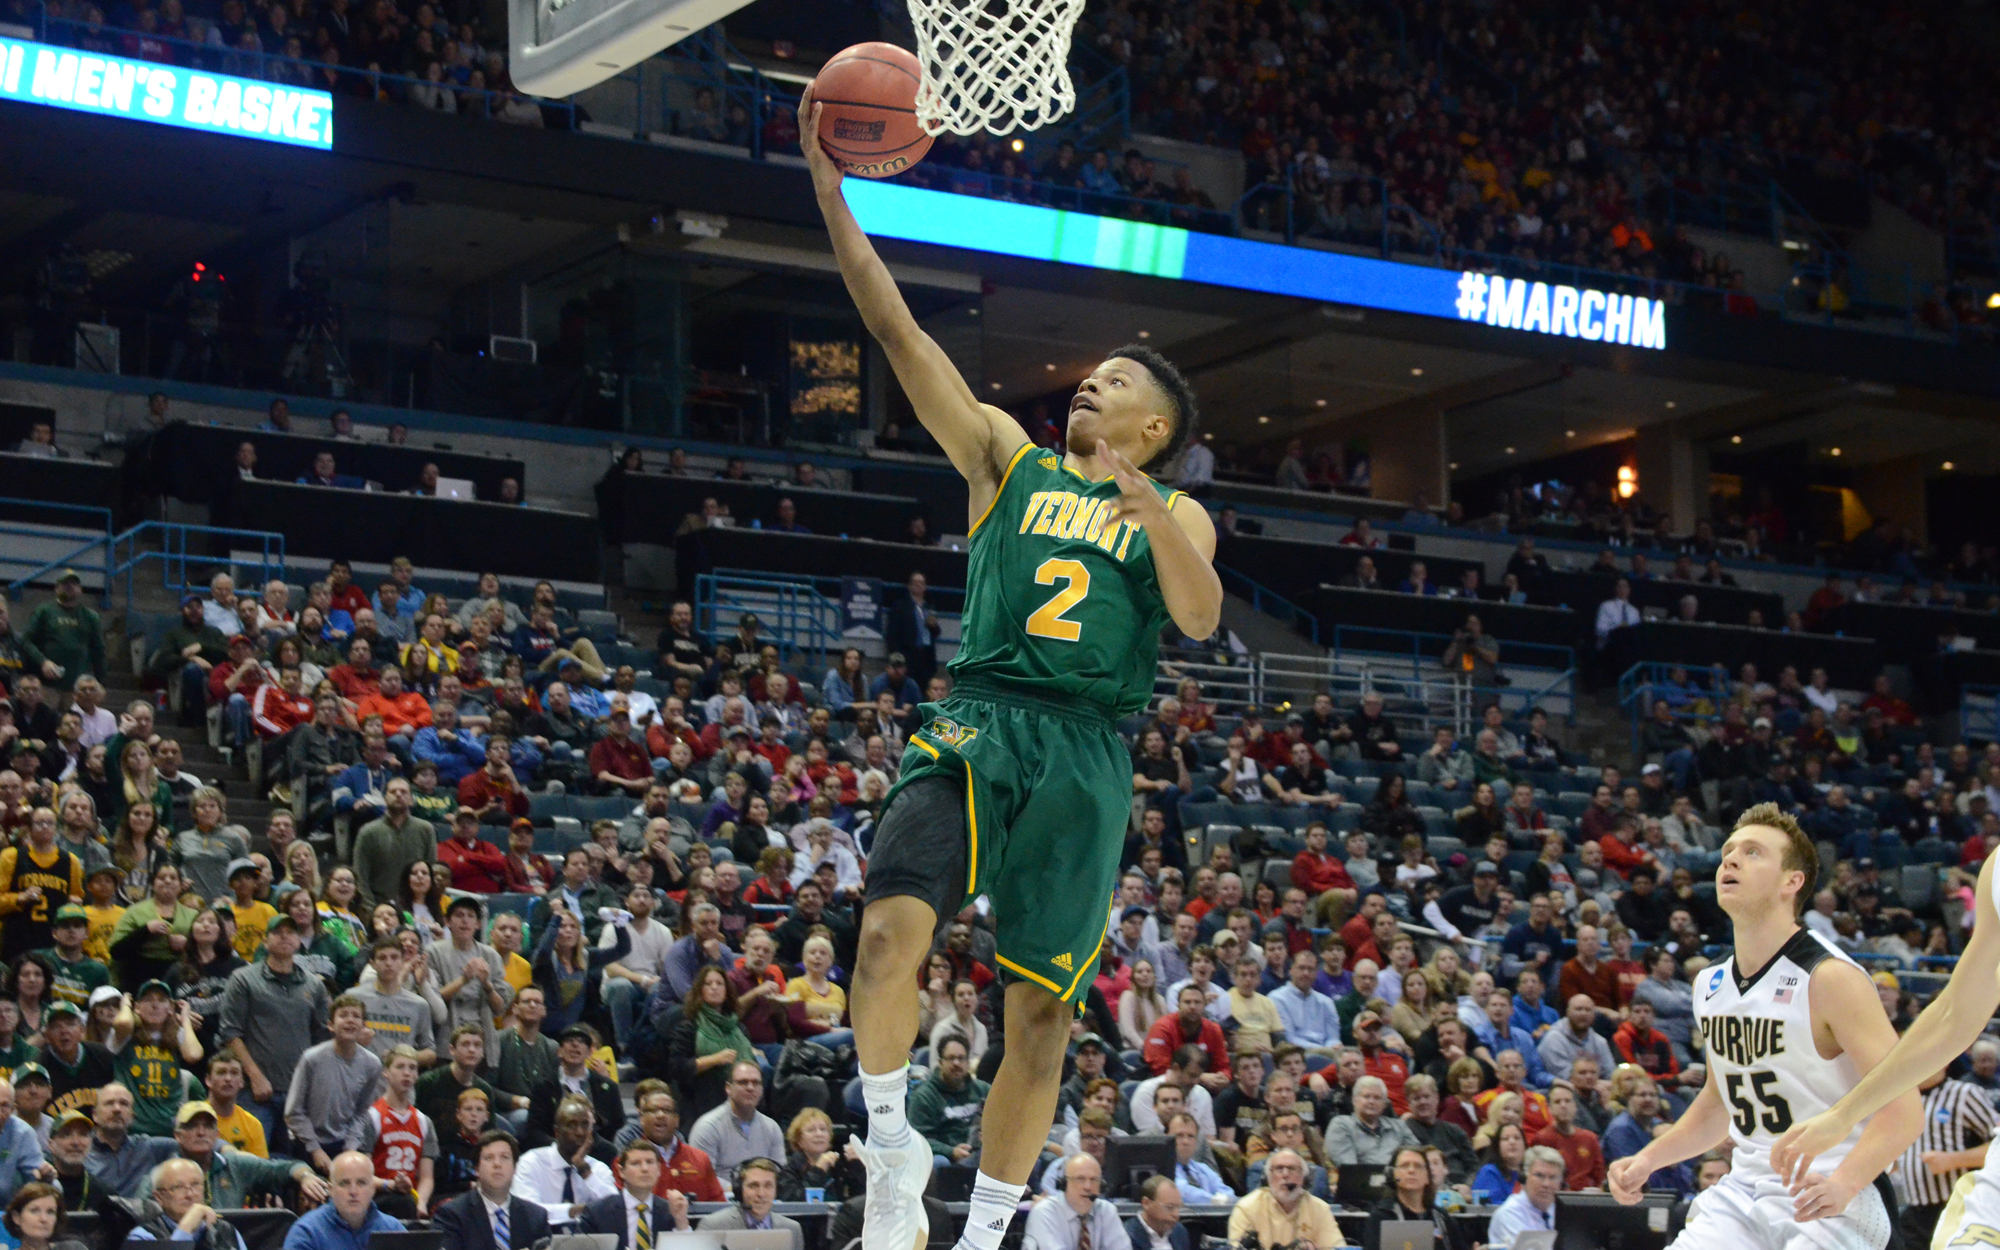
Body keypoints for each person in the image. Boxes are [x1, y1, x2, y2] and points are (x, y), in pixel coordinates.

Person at [799, 80, 1222, 1250]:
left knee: (1039, 1018)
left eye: (1120, 381)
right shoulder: (1003, 455)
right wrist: (833, 197)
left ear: (1151, 429)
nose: (1092, 380)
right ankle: (890, 1142)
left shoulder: (1174, 510)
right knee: (886, 935)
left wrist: (1147, 512)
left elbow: (1194, 620)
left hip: (1087, 756)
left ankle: (984, 1230)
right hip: (982, 719)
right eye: (1093, 372)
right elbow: (897, 331)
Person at [1609, 805, 1921, 1245]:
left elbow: (1904, 1107)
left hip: (1830, 1190)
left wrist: (1846, 1183)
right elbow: (1719, 1104)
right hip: (1744, 1191)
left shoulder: (1830, 978)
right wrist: (1649, 1159)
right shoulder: (1710, 983)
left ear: (1791, 883)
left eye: (1752, 853)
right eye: (1728, 851)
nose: (1730, 860)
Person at [218, 913, 332, 1155]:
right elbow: (230, 1032)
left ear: (299, 941)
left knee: (298, 1166)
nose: (285, 937)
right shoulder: (243, 979)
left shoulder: (314, 985)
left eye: (290, 932)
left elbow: (322, 1038)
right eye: (277, 932)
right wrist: (255, 1075)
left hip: (298, 1096)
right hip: (255, 1093)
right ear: (265, 940)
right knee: (253, 1161)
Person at [286, 996, 385, 1175]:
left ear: (363, 1026)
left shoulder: (372, 1064)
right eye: (343, 1015)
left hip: (345, 1143)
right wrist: (315, 1149)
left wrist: (350, 1148)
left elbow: (362, 1112)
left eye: (356, 1016)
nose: (349, 1020)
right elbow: (293, 1112)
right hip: (308, 1143)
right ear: (331, 1025)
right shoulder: (311, 1058)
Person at [346, 1045, 437, 1218]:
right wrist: (390, 1184)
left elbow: (427, 1177)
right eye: (400, 1067)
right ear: (386, 1072)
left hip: (410, 1198)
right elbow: (362, 1174)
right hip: (377, 1195)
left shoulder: (424, 1122)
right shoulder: (371, 1117)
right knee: (401, 1202)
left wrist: (422, 1203)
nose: (407, 1073)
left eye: (412, 1068)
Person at [433, 1130, 554, 1250]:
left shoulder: (536, 1217)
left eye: (504, 1157)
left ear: (515, 1167)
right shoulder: (452, 1215)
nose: (497, 1164)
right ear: (476, 1169)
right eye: (489, 1158)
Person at [516, 1095, 619, 1223]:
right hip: (540, 1238)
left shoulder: (597, 1168)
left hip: (588, 1241)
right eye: (572, 1125)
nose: (580, 1132)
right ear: (557, 1132)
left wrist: (585, 1171)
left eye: (585, 1125)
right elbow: (528, 1211)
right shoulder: (531, 1162)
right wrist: (574, 1211)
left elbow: (615, 1209)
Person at [282, 1151, 407, 1250]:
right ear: (330, 1190)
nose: (353, 1191)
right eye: (344, 1183)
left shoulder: (393, 1229)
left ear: (373, 1189)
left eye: (361, 1183)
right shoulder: (307, 1231)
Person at [579, 1140, 691, 1248]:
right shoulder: (597, 1213)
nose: (645, 1168)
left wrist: (681, 1222)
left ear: (659, 1170)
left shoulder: (670, 1211)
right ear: (622, 1172)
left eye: (650, 1162)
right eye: (636, 1163)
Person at [686, 1064, 784, 1185]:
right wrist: (744, 1190)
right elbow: (702, 1177)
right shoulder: (707, 1127)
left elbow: (779, 1174)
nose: (750, 1088)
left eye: (756, 1083)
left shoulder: (772, 1127)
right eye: (743, 1082)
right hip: (721, 1200)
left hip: (763, 1198)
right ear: (728, 1088)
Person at [126, 1157, 248, 1250]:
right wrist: (186, 1227)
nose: (190, 1194)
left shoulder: (227, 1231)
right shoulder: (143, 1236)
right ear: (159, 1197)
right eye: (178, 1187)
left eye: (195, 1185)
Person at [1227, 1148, 1339, 1250]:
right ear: (1269, 1177)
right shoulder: (1247, 1208)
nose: (1285, 1175)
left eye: (1292, 1169)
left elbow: (1337, 1247)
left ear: (1303, 1177)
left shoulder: (1320, 1209)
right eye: (1279, 1169)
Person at [1024, 1152, 1129, 1250]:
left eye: (1093, 1180)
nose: (1087, 1187)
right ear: (1064, 1184)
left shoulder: (1106, 1211)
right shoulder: (1044, 1212)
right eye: (1080, 1179)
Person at [694, 1156, 804, 1250]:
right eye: (753, 1186)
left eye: (768, 1186)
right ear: (739, 1190)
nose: (761, 1193)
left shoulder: (792, 1229)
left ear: (777, 1190)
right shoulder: (713, 1225)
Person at [1486, 1145, 1564, 1248]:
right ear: (1524, 1178)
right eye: (1539, 1175)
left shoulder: (1560, 1211)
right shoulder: (1509, 1214)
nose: (1546, 1184)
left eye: (1553, 1177)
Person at [1125, 1174, 1190, 1250]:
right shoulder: (1125, 1236)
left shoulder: (1179, 1231)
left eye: (1178, 1207)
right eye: (1169, 1207)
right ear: (1146, 1203)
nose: (1176, 1214)